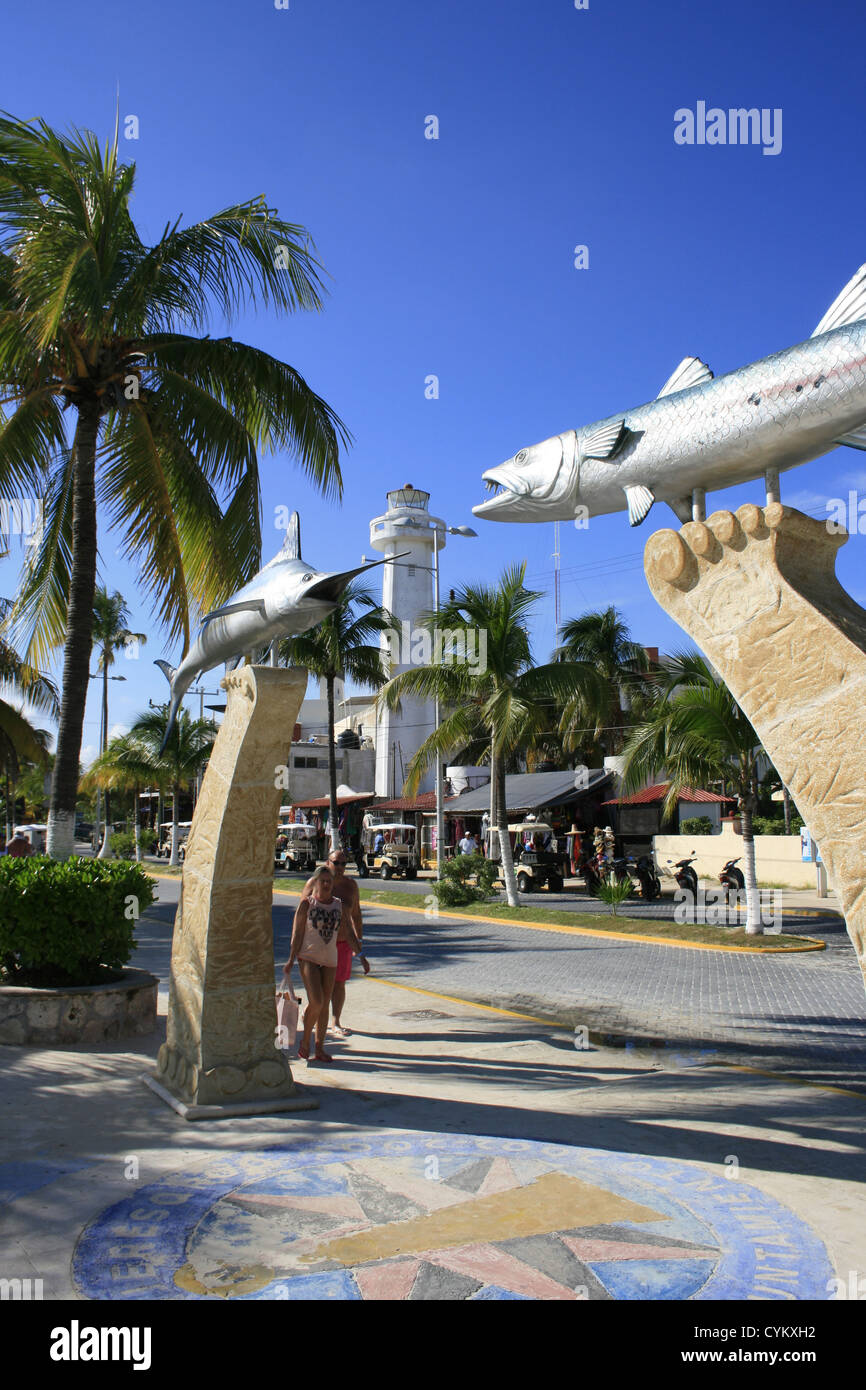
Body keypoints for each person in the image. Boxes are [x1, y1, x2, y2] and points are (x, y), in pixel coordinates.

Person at [285, 865, 366, 1063]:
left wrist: (361, 955)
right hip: (308, 957)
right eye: (323, 881)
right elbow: (297, 933)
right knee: (318, 1001)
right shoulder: (307, 904)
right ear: (315, 883)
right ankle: (305, 1041)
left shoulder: (339, 905)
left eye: (329, 881)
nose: (327, 884)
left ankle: (319, 1048)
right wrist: (291, 959)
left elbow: (347, 931)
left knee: (323, 1004)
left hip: (330, 959)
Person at [300, 850, 369, 1037]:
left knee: (339, 985)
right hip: (318, 944)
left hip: (342, 943)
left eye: (343, 864)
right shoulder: (313, 884)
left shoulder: (350, 886)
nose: (339, 867)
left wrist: (359, 943)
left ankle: (335, 1022)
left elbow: (356, 915)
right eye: (336, 863)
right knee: (319, 991)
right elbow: (302, 914)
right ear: (327, 862)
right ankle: (313, 1014)